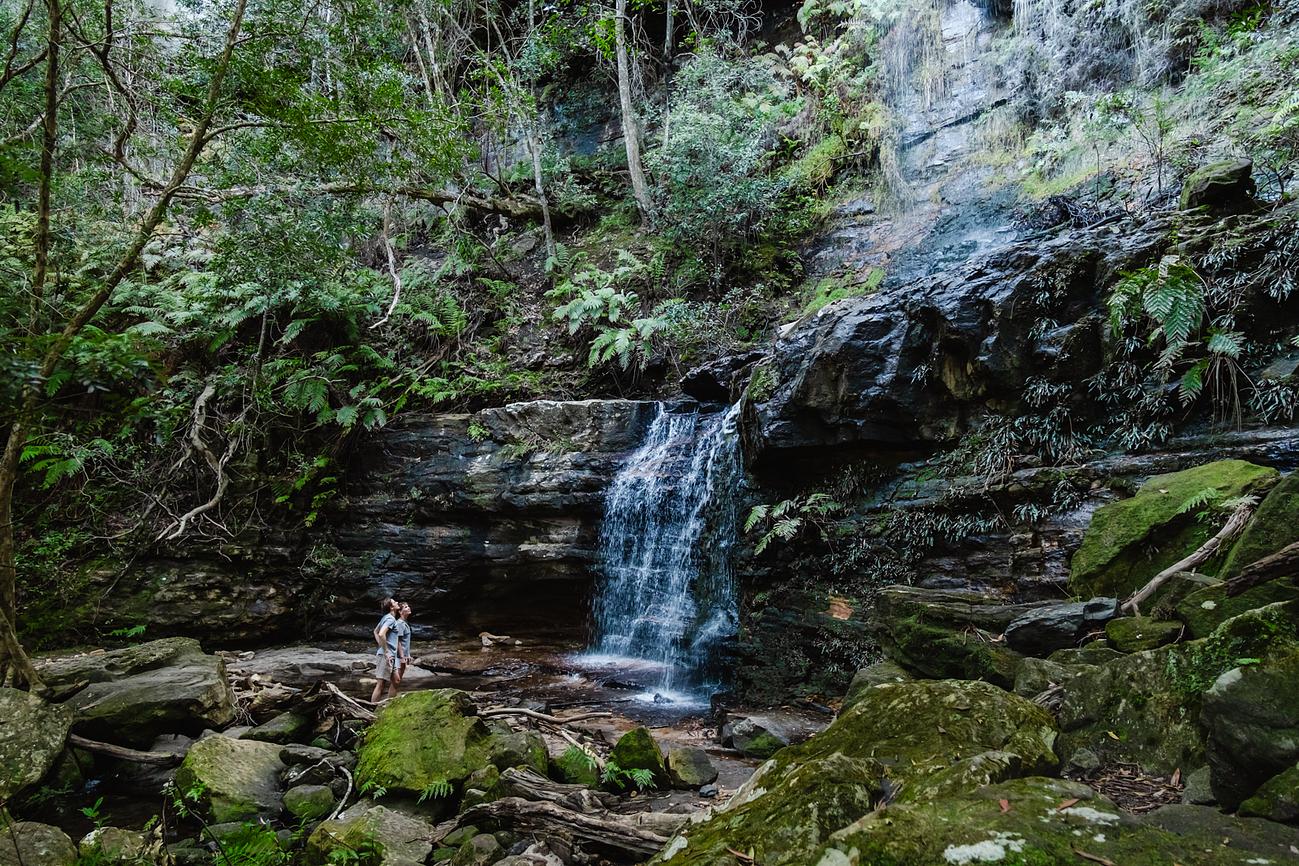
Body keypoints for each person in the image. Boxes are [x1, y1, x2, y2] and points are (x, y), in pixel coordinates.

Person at [371, 598, 399, 703]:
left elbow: (375, 631)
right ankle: (371, 709)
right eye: (394, 602)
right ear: (391, 607)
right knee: (380, 684)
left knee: (396, 680)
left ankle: (389, 706)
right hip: (386, 655)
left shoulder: (386, 617)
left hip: (391, 655)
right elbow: (381, 633)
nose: (397, 602)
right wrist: (385, 651)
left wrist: (382, 645)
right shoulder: (390, 619)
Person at [389, 602, 413, 699]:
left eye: (408, 606)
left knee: (397, 681)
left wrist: (408, 655)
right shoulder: (400, 624)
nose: (409, 608)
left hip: (402, 656)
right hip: (398, 657)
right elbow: (397, 641)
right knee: (396, 681)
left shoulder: (405, 623)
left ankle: (391, 701)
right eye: (406, 607)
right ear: (400, 611)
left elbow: (405, 642)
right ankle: (389, 702)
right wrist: (402, 657)